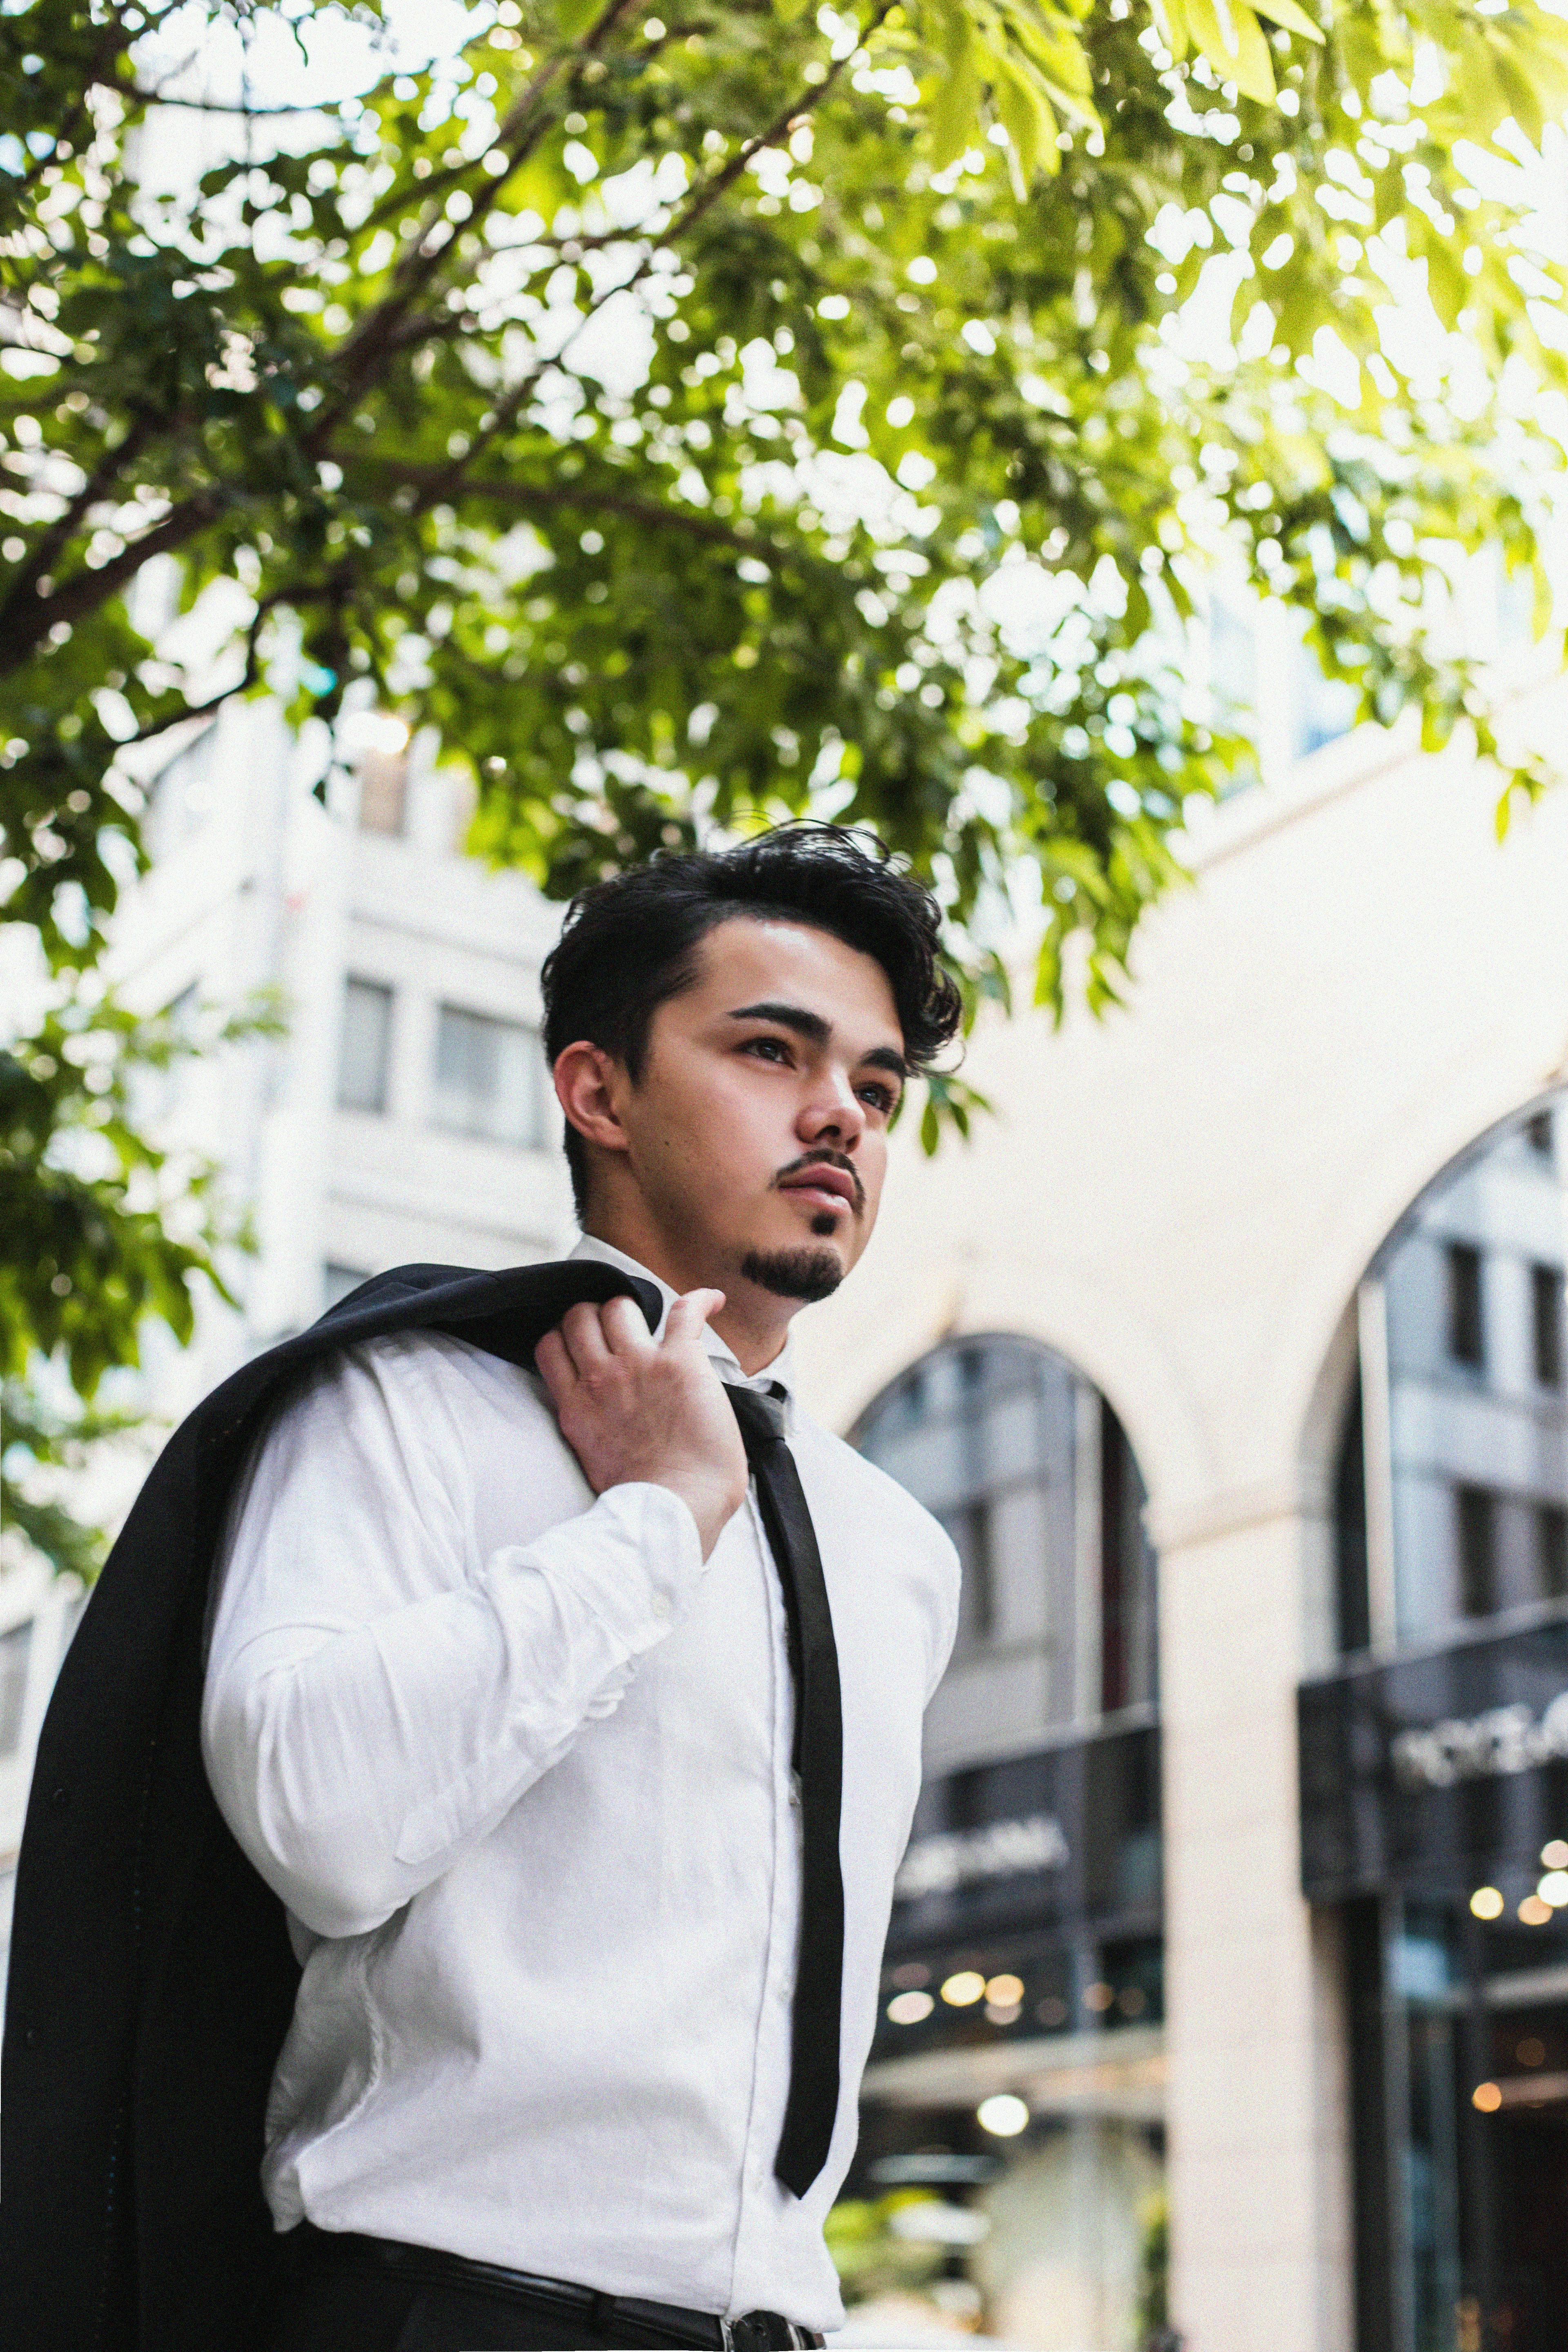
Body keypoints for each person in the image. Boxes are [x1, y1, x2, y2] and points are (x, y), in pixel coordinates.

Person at [1, 824, 963, 2352]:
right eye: (772, 1051)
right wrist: (651, 1522)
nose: (838, 1113)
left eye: (877, 1084)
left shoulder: (897, 1551)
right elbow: (323, 1819)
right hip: (441, 2302)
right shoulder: (403, 1404)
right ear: (598, 1092)